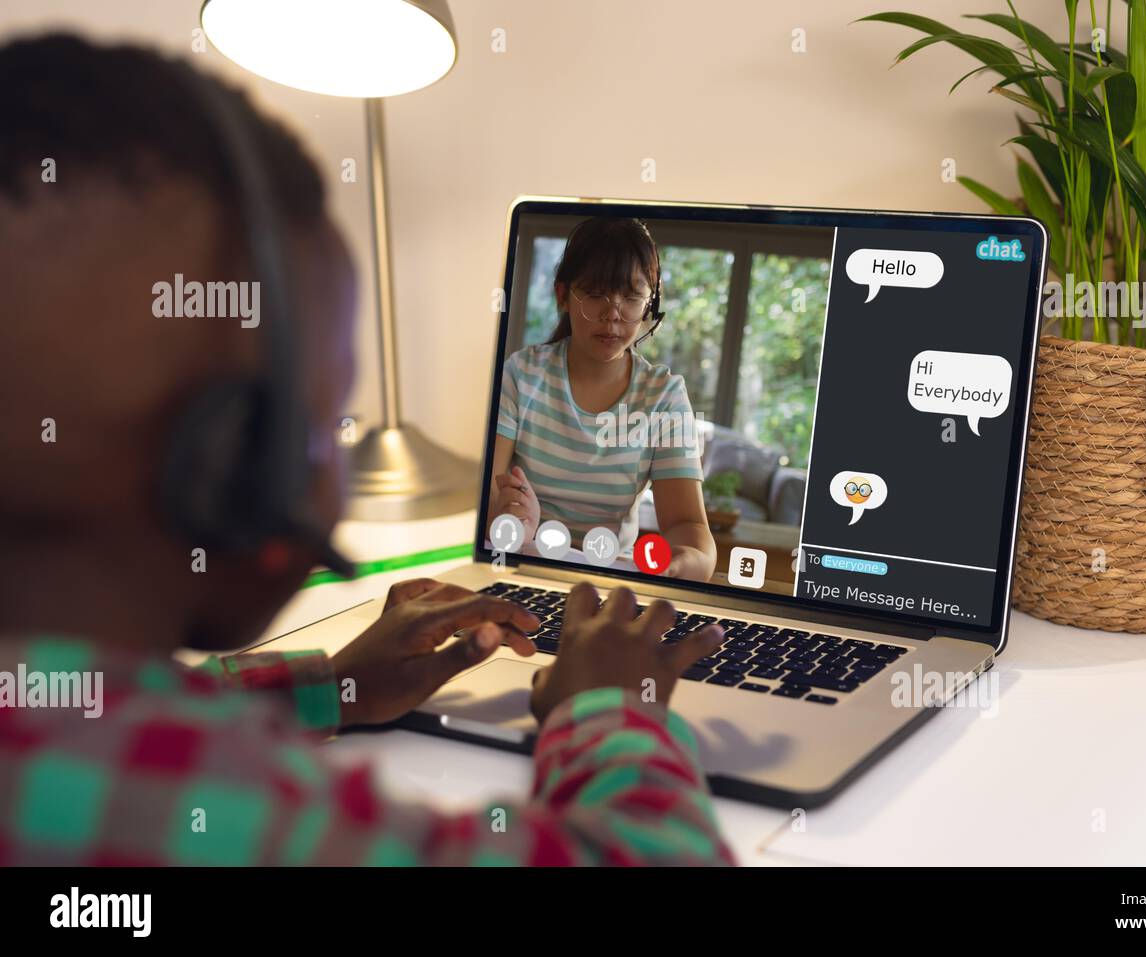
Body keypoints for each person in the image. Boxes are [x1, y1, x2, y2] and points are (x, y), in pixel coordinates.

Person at [0, 34, 731, 866]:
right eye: (322, 424)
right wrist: (607, 710)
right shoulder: (220, 807)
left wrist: (322, 684)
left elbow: (96, 705)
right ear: (230, 464)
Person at [486, 218, 717, 581]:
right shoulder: (522, 375)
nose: (613, 314)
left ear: (650, 302)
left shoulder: (663, 396)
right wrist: (508, 518)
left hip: (615, 586)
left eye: (631, 297)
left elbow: (692, 534)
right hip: (526, 571)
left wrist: (673, 566)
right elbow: (487, 502)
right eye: (595, 295)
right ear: (563, 295)